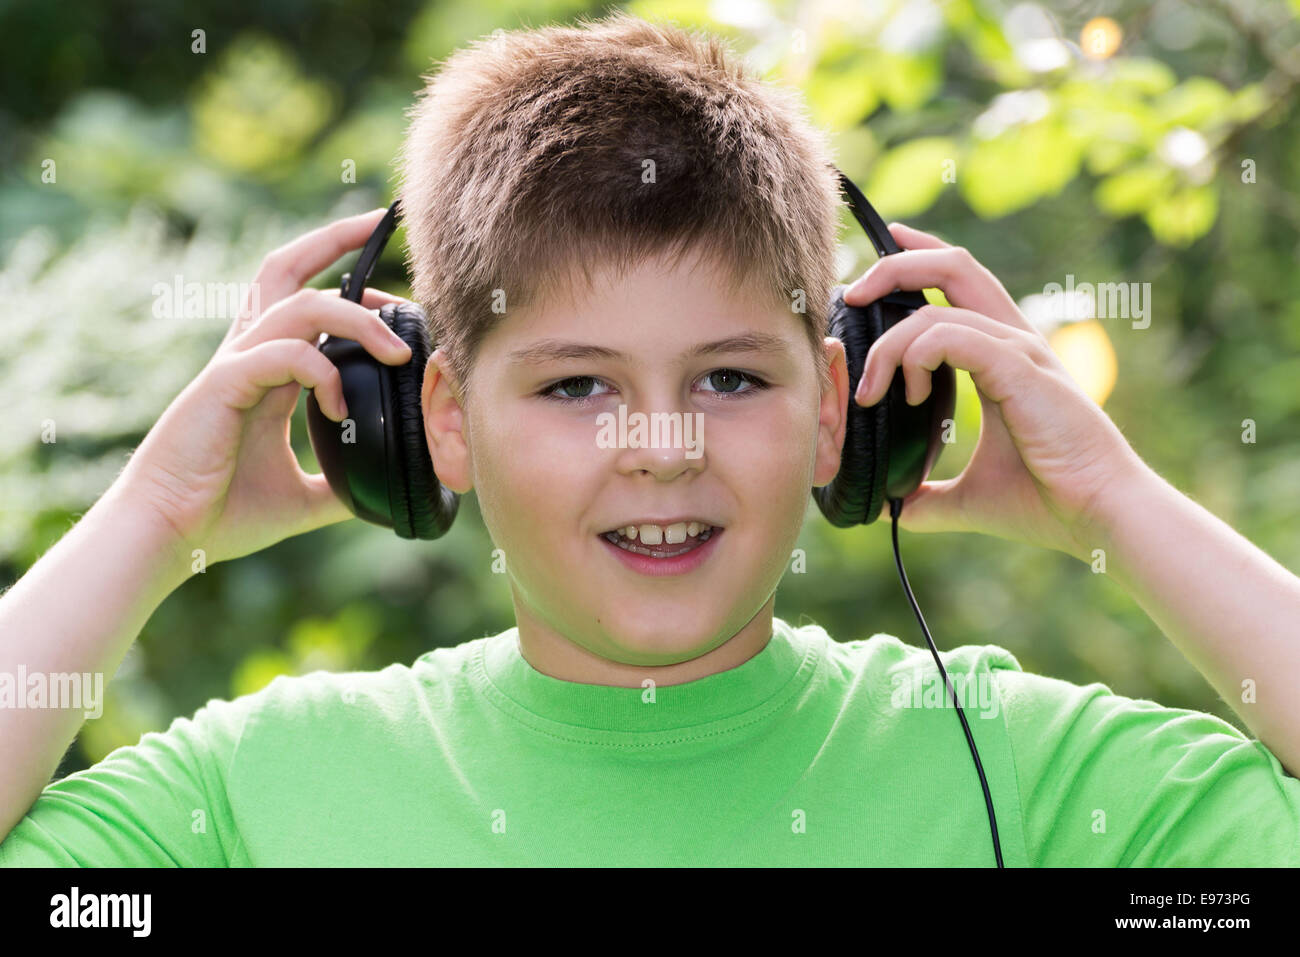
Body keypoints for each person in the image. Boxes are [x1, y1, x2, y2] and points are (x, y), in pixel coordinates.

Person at [2, 12, 1298, 866]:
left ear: (844, 408)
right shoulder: (261, 796)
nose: (664, 444)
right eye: (576, 387)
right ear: (436, 421)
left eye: (731, 376)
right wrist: (151, 522)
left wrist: (1115, 502)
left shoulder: (1032, 772)